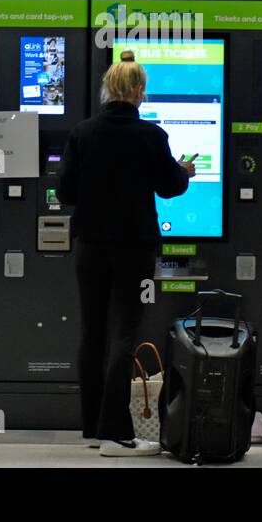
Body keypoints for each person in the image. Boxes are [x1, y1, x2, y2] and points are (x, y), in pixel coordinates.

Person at [57, 50, 194, 457]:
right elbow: (170, 187)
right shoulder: (151, 136)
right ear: (138, 91)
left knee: (93, 332)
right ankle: (116, 432)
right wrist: (184, 171)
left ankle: (94, 427)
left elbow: (64, 192)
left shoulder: (82, 132)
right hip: (133, 247)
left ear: (108, 89)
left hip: (89, 247)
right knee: (125, 333)